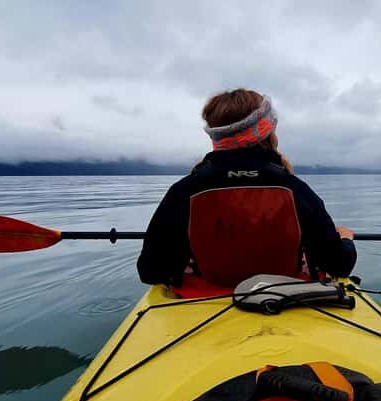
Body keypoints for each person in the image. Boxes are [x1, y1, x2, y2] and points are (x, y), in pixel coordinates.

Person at [137, 89, 356, 288]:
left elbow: (150, 271)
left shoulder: (184, 191)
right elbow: (339, 265)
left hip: (199, 306)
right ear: (268, 133)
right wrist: (345, 239)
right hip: (284, 302)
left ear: (217, 137)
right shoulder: (295, 190)